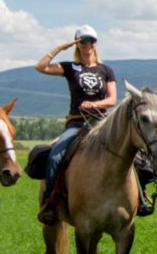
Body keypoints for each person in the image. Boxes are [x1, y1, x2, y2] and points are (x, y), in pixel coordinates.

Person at [34, 25, 118, 225]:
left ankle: (140, 198)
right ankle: (50, 203)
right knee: (55, 156)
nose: (88, 45)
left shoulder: (106, 70)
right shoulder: (71, 68)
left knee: (133, 153)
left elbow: (112, 99)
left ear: (95, 43)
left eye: (91, 41)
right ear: (77, 44)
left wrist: (94, 104)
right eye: (83, 41)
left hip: (102, 122)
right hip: (77, 123)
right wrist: (60, 48)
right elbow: (41, 66)